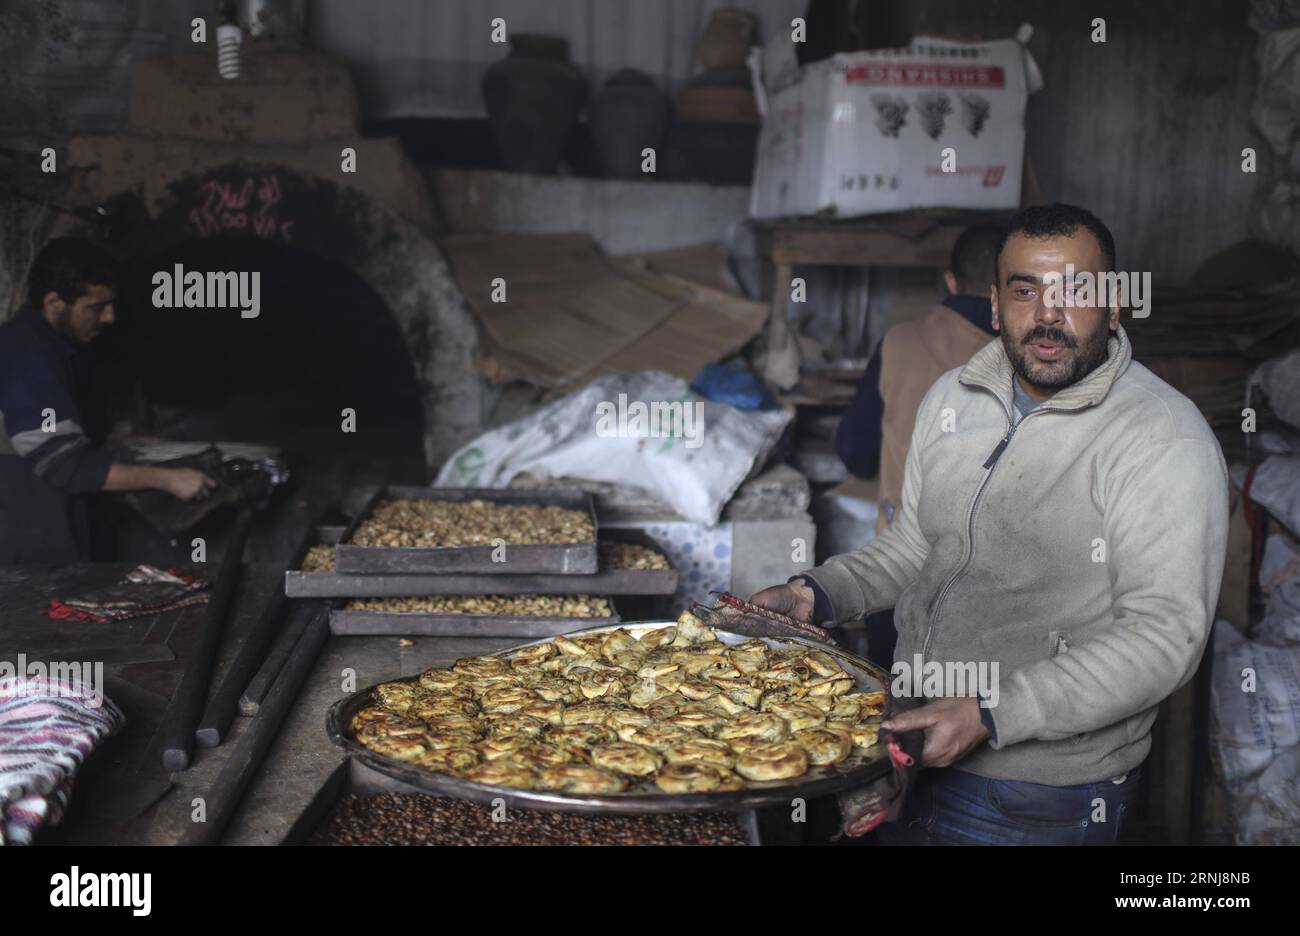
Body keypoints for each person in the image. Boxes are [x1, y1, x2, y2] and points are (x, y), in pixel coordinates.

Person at [751, 204, 1229, 844]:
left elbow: (1164, 635)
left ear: (1114, 306)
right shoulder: (954, 397)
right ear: (997, 305)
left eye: (1074, 291)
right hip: (913, 742)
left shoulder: (1163, 438)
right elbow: (918, 543)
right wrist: (813, 594)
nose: (1048, 315)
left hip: (1034, 794)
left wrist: (993, 713)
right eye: (1026, 290)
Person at [836, 223, 1003, 665]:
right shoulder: (1037, 358)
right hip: (997, 583)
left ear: (950, 280)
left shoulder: (900, 341)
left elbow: (855, 449)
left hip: (899, 574)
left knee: (898, 706)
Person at [0, 237, 215, 564]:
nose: (110, 317)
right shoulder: (30, 356)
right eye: (97, 307)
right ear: (55, 302)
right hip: (30, 545)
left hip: (49, 527)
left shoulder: (51, 345)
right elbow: (64, 465)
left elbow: (52, 431)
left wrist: (118, 440)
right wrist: (168, 480)